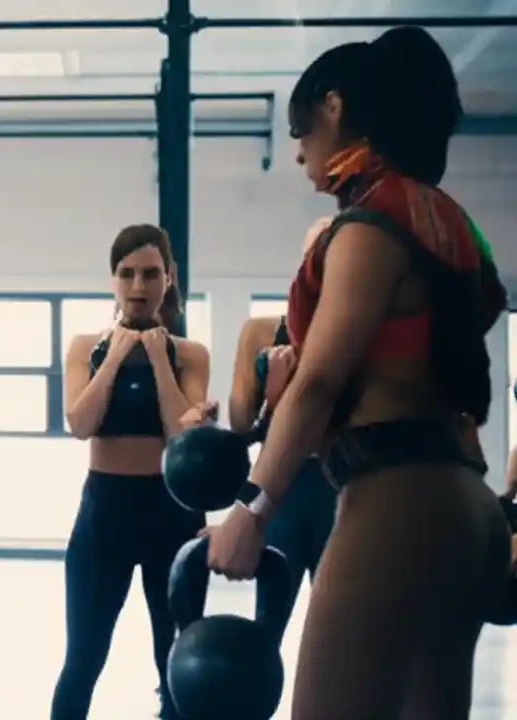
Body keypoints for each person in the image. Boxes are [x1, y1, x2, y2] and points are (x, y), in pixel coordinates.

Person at [204, 27, 512, 718]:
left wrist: (253, 509)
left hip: (397, 505)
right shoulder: (455, 224)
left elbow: (317, 383)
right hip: (464, 504)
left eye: (299, 130)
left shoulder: (370, 226)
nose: (297, 152)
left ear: (335, 109)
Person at [53, 224, 210, 720]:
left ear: (169, 278)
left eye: (150, 273)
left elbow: (179, 435)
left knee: (177, 659)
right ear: (112, 281)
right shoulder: (86, 347)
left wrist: (160, 360)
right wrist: (118, 353)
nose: (138, 286)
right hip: (105, 512)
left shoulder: (190, 355)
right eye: (127, 274)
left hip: (174, 512)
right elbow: (80, 423)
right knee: (83, 657)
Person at [226, 217, 338, 640]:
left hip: (338, 488)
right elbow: (241, 423)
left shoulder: (358, 337)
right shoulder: (261, 331)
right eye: (316, 257)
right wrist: (269, 392)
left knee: (336, 633)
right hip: (282, 489)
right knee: (268, 624)